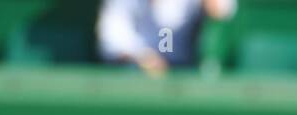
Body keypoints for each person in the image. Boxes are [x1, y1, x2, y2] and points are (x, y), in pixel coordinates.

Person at [97, 0, 236, 75]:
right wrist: (144, 57)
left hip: (185, 69)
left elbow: (222, 11)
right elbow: (111, 38)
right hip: (136, 71)